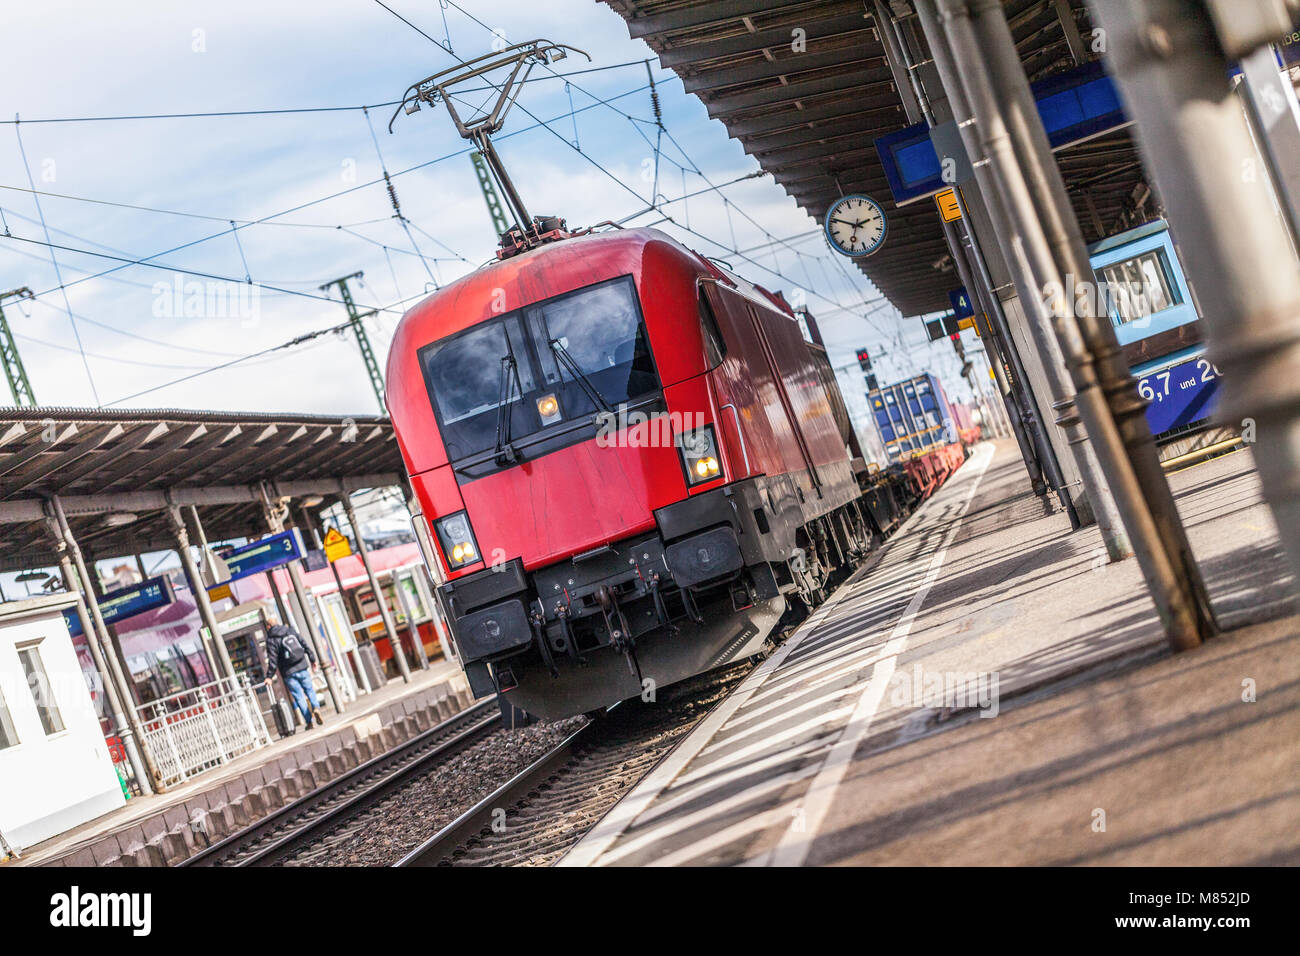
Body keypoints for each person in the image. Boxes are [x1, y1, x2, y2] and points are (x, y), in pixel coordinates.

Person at [263, 623, 323, 728]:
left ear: (268, 626)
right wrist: (312, 659)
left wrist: (269, 676)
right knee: (309, 690)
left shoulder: (271, 639)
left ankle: (309, 722)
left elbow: (273, 660)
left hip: (288, 672)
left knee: (299, 696)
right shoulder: (290, 631)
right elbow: (304, 644)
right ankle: (316, 707)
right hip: (302, 666)